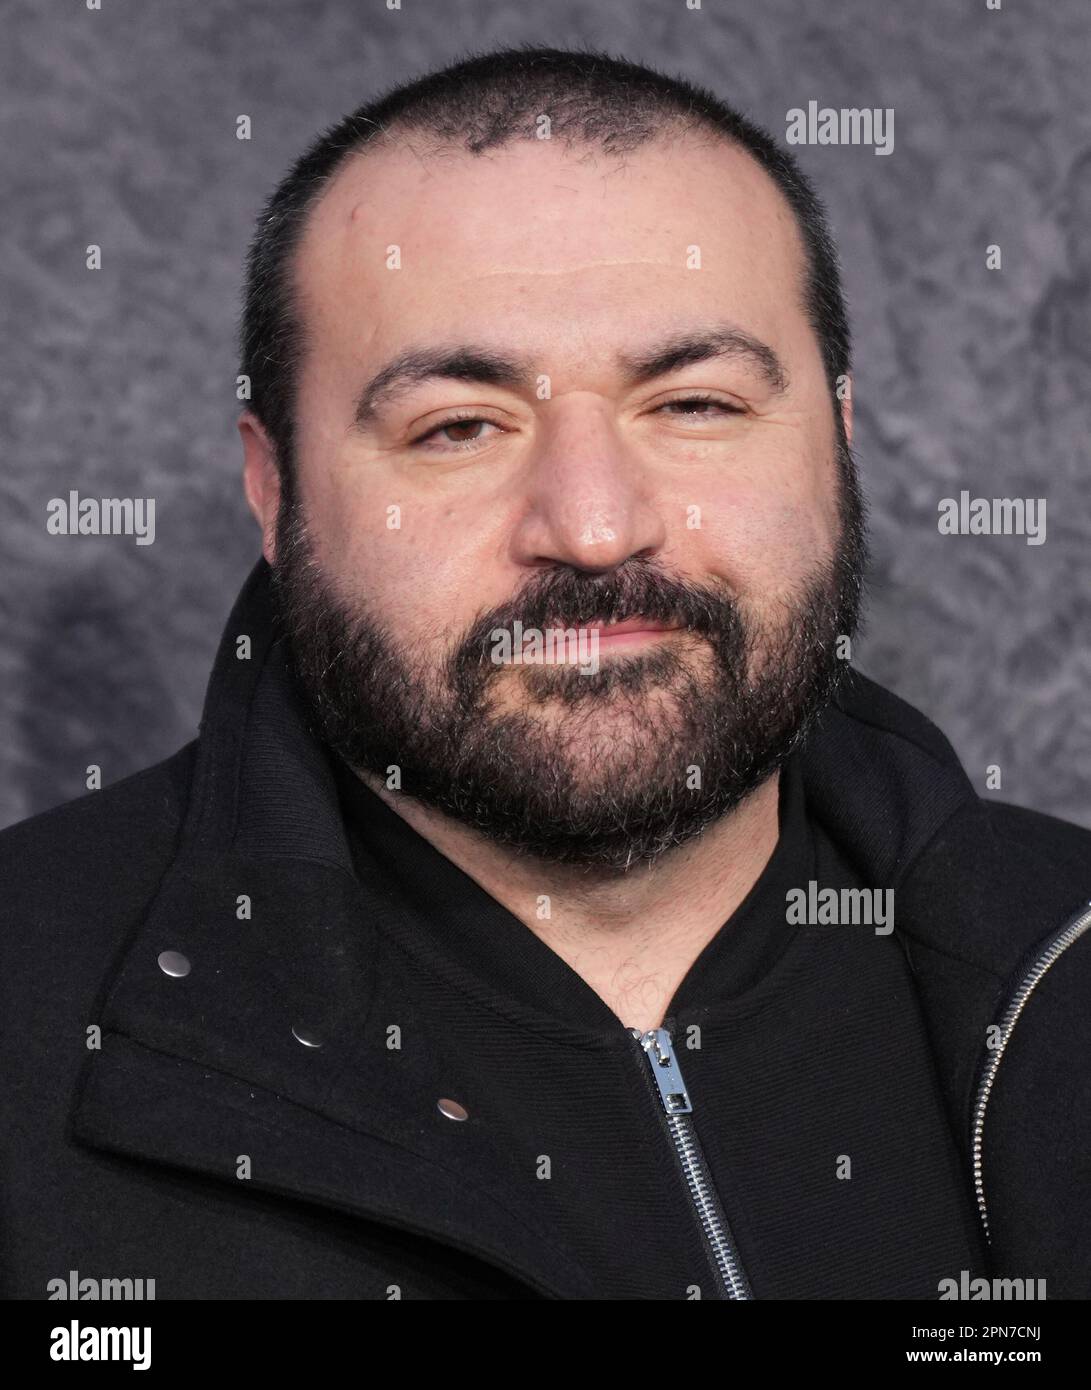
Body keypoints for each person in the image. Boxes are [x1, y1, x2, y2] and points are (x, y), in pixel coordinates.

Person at [2, 45, 1088, 1301]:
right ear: (273, 487)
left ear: (835, 444)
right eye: (458, 427)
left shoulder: (1054, 950)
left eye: (693, 405)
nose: (590, 525)